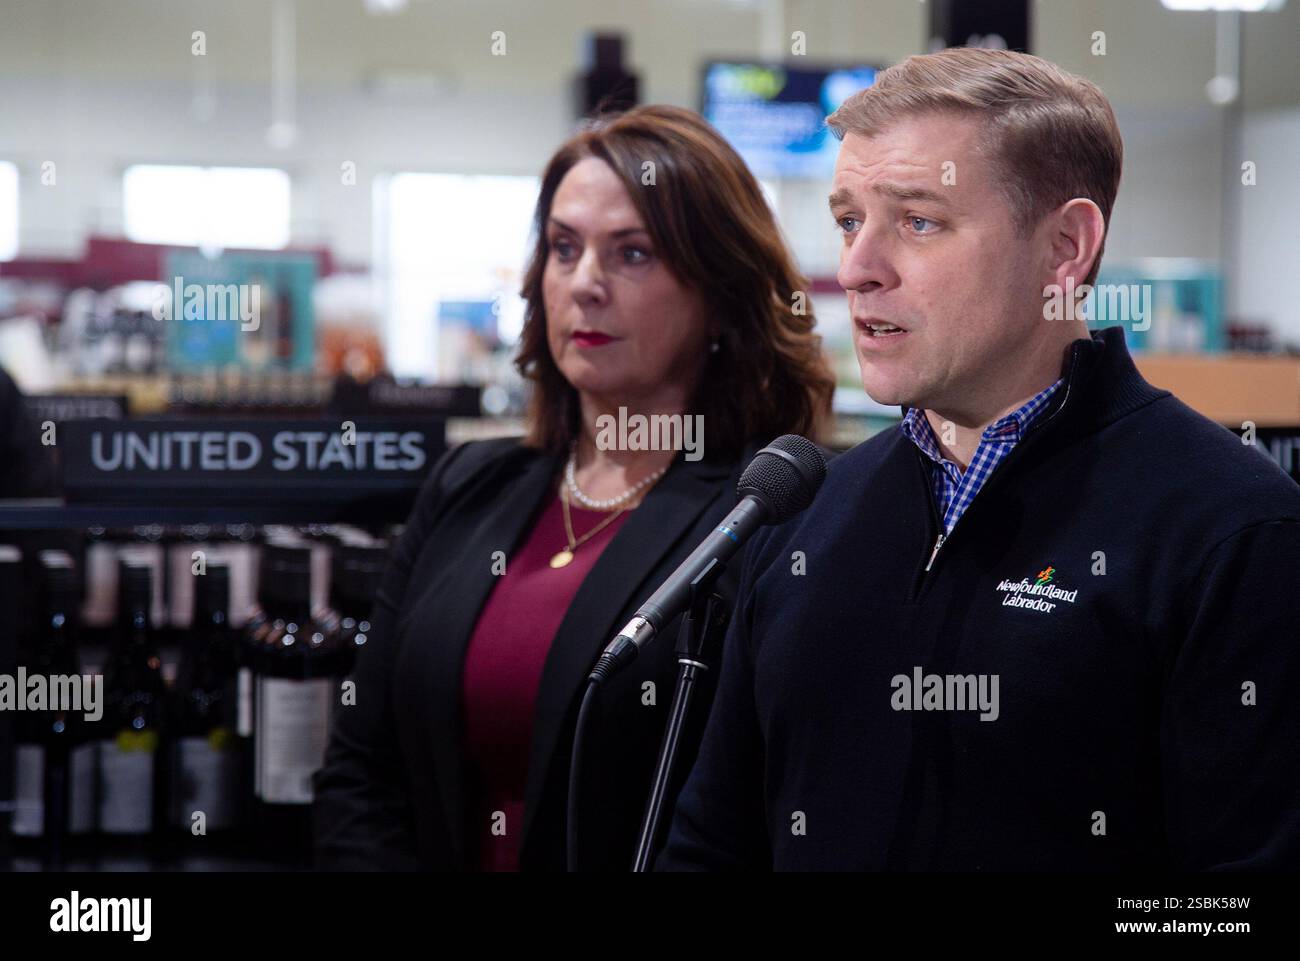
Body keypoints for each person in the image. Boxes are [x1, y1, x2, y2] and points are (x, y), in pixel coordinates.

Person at [658, 47, 1300, 871]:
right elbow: (712, 844)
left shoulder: (1235, 532)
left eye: (918, 221)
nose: (856, 269)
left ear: (1065, 247)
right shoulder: (805, 512)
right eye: (850, 221)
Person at [313, 104, 835, 871]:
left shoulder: (763, 515)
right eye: (564, 248)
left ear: (720, 292)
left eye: (633, 253)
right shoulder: (471, 484)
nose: (585, 283)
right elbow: (360, 766)